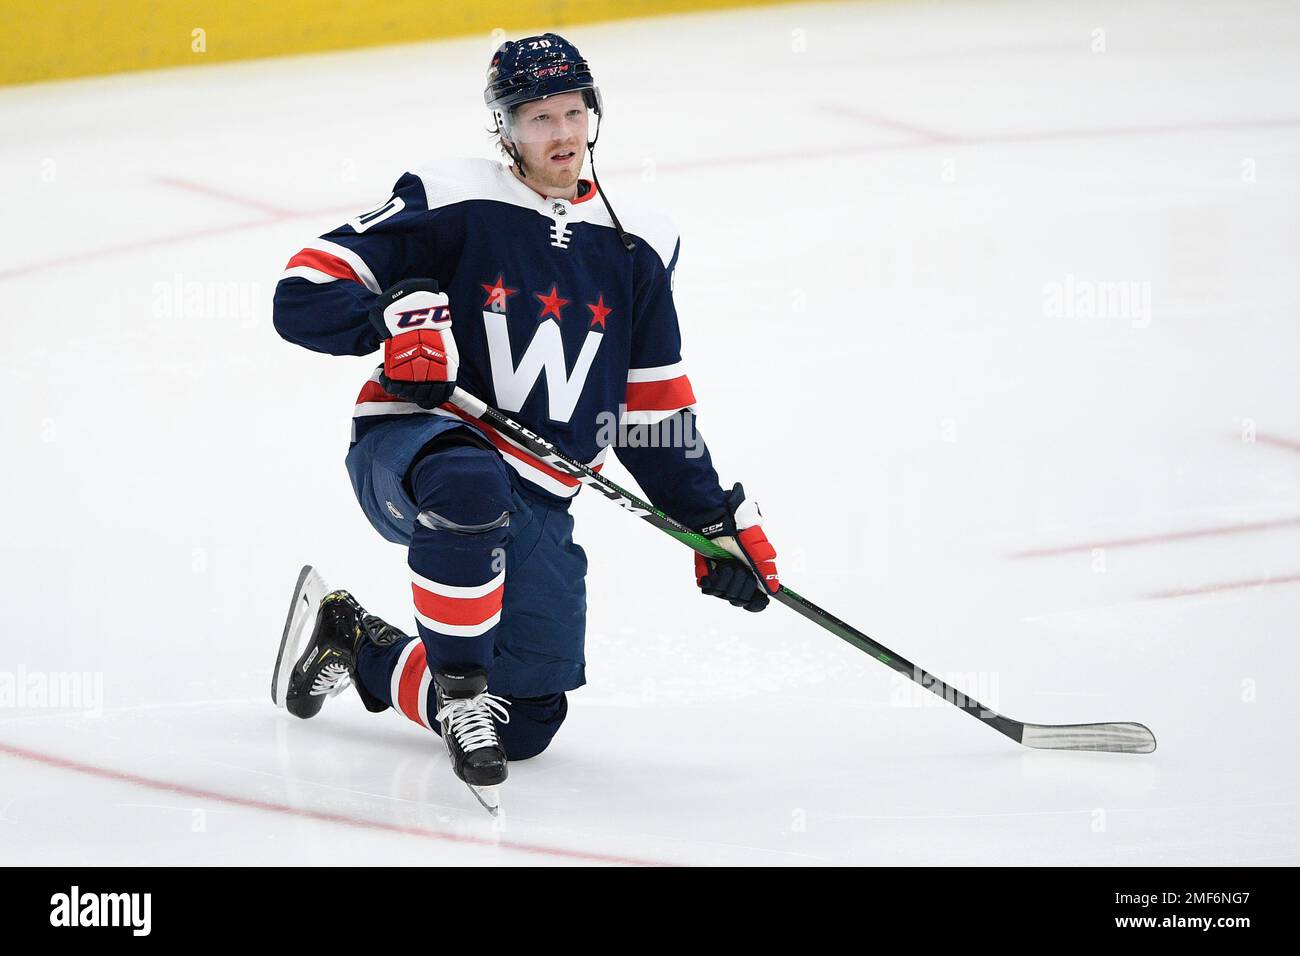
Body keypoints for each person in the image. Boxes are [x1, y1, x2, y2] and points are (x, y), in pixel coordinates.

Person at [270, 33, 779, 809]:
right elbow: (305, 289)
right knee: (472, 486)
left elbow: (650, 405)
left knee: (529, 722)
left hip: (539, 492)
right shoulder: (449, 198)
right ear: (504, 127)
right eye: (540, 118)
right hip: (414, 446)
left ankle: (355, 644)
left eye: (574, 112)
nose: (564, 134)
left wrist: (709, 519)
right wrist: (387, 320)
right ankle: (461, 689)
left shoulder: (640, 242)